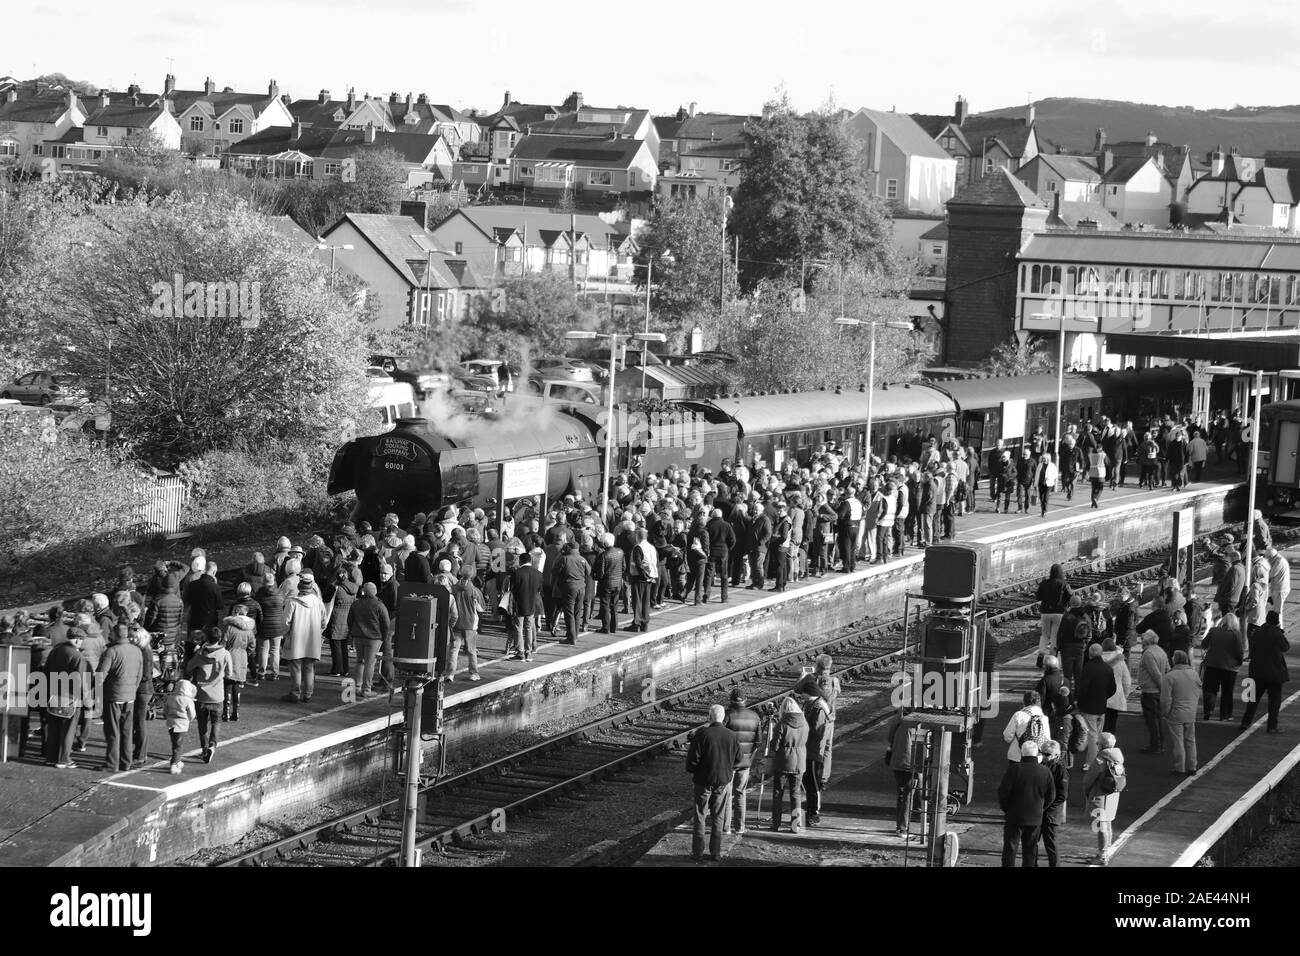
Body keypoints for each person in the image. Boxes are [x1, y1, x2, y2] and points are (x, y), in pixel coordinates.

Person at [684, 703, 738, 863]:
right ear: (723, 718)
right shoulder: (732, 735)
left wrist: (694, 770)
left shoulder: (702, 734)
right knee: (718, 817)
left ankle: (697, 853)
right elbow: (739, 759)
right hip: (722, 781)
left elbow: (692, 761)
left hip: (702, 781)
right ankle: (715, 852)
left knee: (700, 815)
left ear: (709, 717)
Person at [997, 740, 1055, 867]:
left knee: (1010, 849)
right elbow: (1051, 796)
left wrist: (1006, 808)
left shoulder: (1014, 769)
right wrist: (1041, 808)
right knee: (1030, 850)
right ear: (1036, 754)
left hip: (1014, 815)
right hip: (1035, 817)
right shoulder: (1045, 771)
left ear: (1022, 753)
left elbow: (1003, 792)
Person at [98, 624, 143, 773]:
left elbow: (100, 675)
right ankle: (126, 762)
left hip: (113, 695)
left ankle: (112, 764)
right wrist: (133, 690)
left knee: (112, 731)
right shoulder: (137, 651)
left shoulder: (111, 651)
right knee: (126, 731)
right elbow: (139, 674)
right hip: (129, 696)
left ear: (115, 635)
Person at [42, 629, 88, 769]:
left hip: (53, 695)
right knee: (68, 730)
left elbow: (46, 672)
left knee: (54, 729)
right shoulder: (77, 656)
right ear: (77, 640)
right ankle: (64, 759)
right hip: (71, 697)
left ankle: (51, 757)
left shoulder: (55, 651)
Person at [184, 628, 230, 764]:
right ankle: (212, 745)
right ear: (220, 639)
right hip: (218, 694)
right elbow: (229, 672)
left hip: (202, 693)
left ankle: (204, 749)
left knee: (202, 723)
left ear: (207, 638)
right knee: (216, 721)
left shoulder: (199, 653)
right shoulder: (225, 654)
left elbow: (189, 668)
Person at [1242, 610, 1290, 733]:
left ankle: (1246, 721)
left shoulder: (1257, 632)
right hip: (1273, 672)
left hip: (1256, 670)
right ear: (1277, 622)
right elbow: (1285, 647)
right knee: (1274, 701)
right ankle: (1272, 726)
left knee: (1253, 698)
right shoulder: (1277, 634)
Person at [282, 571, 326, 703]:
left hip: (296, 638)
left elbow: (285, 622)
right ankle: (308, 694)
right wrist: (318, 633)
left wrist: (286, 634)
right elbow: (324, 622)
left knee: (295, 666)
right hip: (312, 639)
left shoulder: (292, 602)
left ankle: (295, 692)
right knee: (309, 667)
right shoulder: (318, 603)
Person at [1082, 732, 1126, 865]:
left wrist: (1087, 793)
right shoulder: (1117, 758)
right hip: (1113, 795)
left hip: (1100, 795)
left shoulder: (1100, 760)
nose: (1096, 744)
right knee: (1108, 824)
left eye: (1097, 743)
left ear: (1102, 745)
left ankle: (1102, 855)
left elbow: (1088, 780)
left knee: (1101, 826)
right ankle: (1106, 850)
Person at [768, 696, 809, 833]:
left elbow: (774, 745)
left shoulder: (782, 724)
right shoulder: (805, 722)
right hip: (800, 761)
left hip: (783, 762)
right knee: (796, 794)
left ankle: (776, 824)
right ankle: (795, 825)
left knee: (778, 793)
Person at [723, 689, 761, 834]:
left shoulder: (727, 716)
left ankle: (726, 827)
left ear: (731, 700)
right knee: (741, 793)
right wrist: (749, 757)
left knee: (726, 793)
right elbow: (758, 742)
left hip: (728, 762)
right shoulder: (755, 716)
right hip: (745, 763)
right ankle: (740, 827)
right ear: (745, 700)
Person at [1161, 649, 1201, 775]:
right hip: (1190, 712)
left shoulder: (1170, 676)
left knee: (1178, 742)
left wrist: (1165, 712)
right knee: (1190, 740)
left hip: (1176, 713)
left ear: (1175, 660)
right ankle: (1192, 766)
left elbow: (1165, 699)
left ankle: (1180, 767)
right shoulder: (1194, 674)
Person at [1076, 643, 1116, 770]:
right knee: (1098, 735)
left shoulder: (1088, 668)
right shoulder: (1107, 668)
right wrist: (1104, 697)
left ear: (1090, 653)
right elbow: (1112, 688)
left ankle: (1091, 762)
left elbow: (1083, 689)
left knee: (1092, 736)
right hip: (1101, 706)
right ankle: (1099, 759)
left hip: (1089, 707)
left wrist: (1080, 703)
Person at [348, 582, 391, 695]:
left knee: (359, 661)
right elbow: (386, 624)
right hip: (374, 638)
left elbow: (349, 620)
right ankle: (366, 689)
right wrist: (383, 638)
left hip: (358, 636)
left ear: (363, 591)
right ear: (375, 591)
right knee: (370, 663)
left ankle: (357, 686)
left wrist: (353, 633)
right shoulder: (379, 605)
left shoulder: (356, 604)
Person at [1201, 612, 1245, 722]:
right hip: (1229, 667)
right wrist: (1239, 662)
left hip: (1212, 664)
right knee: (1227, 692)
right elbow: (1239, 651)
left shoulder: (1214, 631)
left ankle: (1208, 711)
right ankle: (1225, 715)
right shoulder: (1236, 634)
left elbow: (1204, 644)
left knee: (1210, 689)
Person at [885, 710, 922, 837]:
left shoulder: (899, 719)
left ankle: (900, 826)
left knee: (902, 795)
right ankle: (903, 828)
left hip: (897, 761)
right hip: (910, 763)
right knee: (908, 795)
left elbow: (890, 737)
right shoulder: (917, 725)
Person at [803, 677, 833, 826]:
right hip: (809, 750)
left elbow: (817, 732)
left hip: (814, 751)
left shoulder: (818, 709)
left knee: (813, 783)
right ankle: (811, 810)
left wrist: (802, 728)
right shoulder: (813, 706)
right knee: (808, 782)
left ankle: (814, 811)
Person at [221, 606, 254, 722]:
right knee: (237, 686)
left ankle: (226, 712)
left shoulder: (229, 627)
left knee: (227, 685)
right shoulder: (249, 630)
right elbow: (252, 646)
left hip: (230, 655)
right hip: (242, 657)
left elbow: (223, 643)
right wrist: (245, 653)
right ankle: (236, 712)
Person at [1035, 564, 1071, 667]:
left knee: (1045, 634)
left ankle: (1041, 656)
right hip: (1059, 613)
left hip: (1045, 612)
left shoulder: (1044, 583)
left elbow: (1038, 597)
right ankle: (1052, 659)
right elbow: (1070, 596)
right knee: (1055, 635)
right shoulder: (1064, 584)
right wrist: (1065, 604)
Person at [1039, 739, 1068, 867]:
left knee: (1051, 843)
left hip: (1050, 814)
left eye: (1047, 754)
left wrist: (1046, 808)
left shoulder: (1061, 770)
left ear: (1056, 755)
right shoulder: (1042, 766)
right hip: (1040, 810)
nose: (1044, 757)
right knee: (1032, 841)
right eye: (1042, 753)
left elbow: (1062, 795)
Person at [510, 552, 544, 660]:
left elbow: (513, 589)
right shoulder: (538, 573)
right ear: (530, 561)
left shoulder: (517, 573)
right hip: (532, 604)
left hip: (519, 603)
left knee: (518, 628)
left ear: (520, 561)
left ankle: (520, 652)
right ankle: (528, 652)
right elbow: (539, 589)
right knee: (529, 628)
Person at [1002, 689, 1050, 763]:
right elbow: (1047, 739)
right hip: (1037, 757)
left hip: (1017, 756)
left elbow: (1007, 736)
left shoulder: (1018, 715)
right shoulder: (1044, 718)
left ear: (1024, 701)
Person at [593, 533, 625, 632]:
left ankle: (606, 627)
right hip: (617, 582)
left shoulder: (604, 555)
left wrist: (597, 577)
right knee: (614, 605)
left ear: (604, 544)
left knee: (605, 604)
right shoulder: (620, 552)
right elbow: (624, 567)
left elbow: (601, 573)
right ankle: (614, 627)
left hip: (607, 583)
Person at [164, 679, 197, 774]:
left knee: (174, 743)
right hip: (182, 725)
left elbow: (165, 710)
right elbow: (192, 714)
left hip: (171, 723)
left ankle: (177, 761)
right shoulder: (188, 700)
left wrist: (167, 716)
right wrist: (189, 719)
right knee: (179, 746)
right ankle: (174, 763)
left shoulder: (171, 698)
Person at [1100, 638, 1131, 735]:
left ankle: (1099, 744)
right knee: (1112, 723)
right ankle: (1110, 744)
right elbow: (1126, 681)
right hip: (1116, 695)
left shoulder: (1098, 660)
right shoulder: (1120, 661)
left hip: (1100, 697)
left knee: (1100, 724)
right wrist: (1125, 695)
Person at [1267, 547, 1291, 627]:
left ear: (1272, 557)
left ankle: (1279, 628)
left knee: (1277, 611)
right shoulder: (1278, 559)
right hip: (1279, 588)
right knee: (1276, 610)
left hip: (1280, 589)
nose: (1268, 560)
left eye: (1269, 558)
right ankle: (1277, 626)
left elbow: (1271, 574)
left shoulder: (1279, 561)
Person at [1035, 452, 1058, 517]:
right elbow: (1037, 474)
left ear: (1048, 459)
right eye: (1043, 458)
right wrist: (1035, 483)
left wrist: (1049, 477)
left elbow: (1055, 475)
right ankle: (1042, 508)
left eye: (1045, 458)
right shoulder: (1040, 465)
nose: (1044, 460)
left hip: (1048, 483)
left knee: (1046, 497)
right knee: (1041, 497)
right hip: (1041, 483)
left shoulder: (1052, 465)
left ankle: (1044, 510)